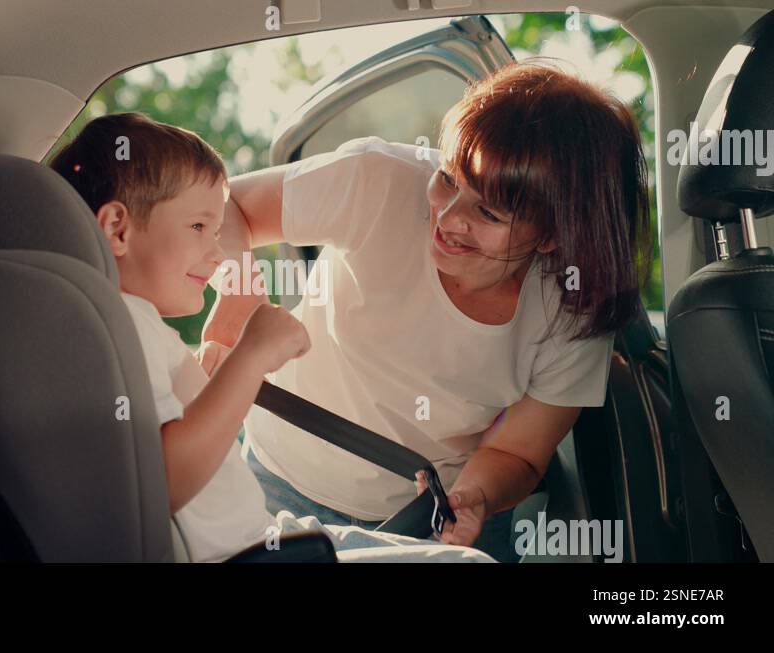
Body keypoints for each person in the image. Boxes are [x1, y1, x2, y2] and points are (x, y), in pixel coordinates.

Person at [202, 60, 653, 563]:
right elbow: (225, 208)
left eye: (487, 212)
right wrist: (239, 292)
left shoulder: (575, 314)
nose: (448, 215)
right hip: (276, 486)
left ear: (551, 234)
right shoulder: (380, 181)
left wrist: (475, 498)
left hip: (429, 529)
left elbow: (518, 452)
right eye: (447, 177)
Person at [49, 112, 493, 563]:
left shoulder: (105, 327)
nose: (218, 252)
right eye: (199, 227)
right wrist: (252, 352)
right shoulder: (125, 330)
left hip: (262, 538)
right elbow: (163, 484)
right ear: (117, 229)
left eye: (218, 231)